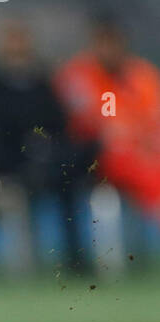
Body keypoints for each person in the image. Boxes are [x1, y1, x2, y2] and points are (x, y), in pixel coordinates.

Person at [0, 22, 94, 271]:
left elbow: (57, 121)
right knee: (42, 181)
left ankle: (75, 259)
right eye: (11, 39)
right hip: (9, 163)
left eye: (20, 39)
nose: (17, 46)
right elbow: (0, 129)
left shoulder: (45, 81)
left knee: (67, 182)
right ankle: (31, 263)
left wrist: (41, 143)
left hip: (48, 160)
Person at [55, 17, 160, 221]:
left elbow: (153, 118)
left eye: (114, 42)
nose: (109, 49)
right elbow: (103, 125)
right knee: (132, 160)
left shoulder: (140, 74)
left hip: (141, 149)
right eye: (104, 42)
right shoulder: (81, 75)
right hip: (96, 154)